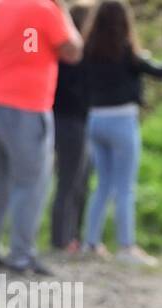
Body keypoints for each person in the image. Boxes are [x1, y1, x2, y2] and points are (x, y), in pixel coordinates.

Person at [0, 0, 82, 274]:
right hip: (27, 105)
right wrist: (64, 11)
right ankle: (21, 255)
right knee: (31, 183)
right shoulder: (45, 9)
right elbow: (73, 51)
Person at [81, 0, 162, 267]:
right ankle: (126, 246)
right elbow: (161, 71)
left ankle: (90, 243)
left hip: (95, 119)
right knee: (125, 187)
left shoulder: (88, 50)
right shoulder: (127, 52)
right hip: (122, 120)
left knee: (102, 185)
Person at [50, 1, 95, 254]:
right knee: (69, 181)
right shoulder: (72, 54)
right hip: (69, 120)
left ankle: (73, 237)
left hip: (75, 120)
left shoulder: (71, 52)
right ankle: (62, 239)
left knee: (79, 180)